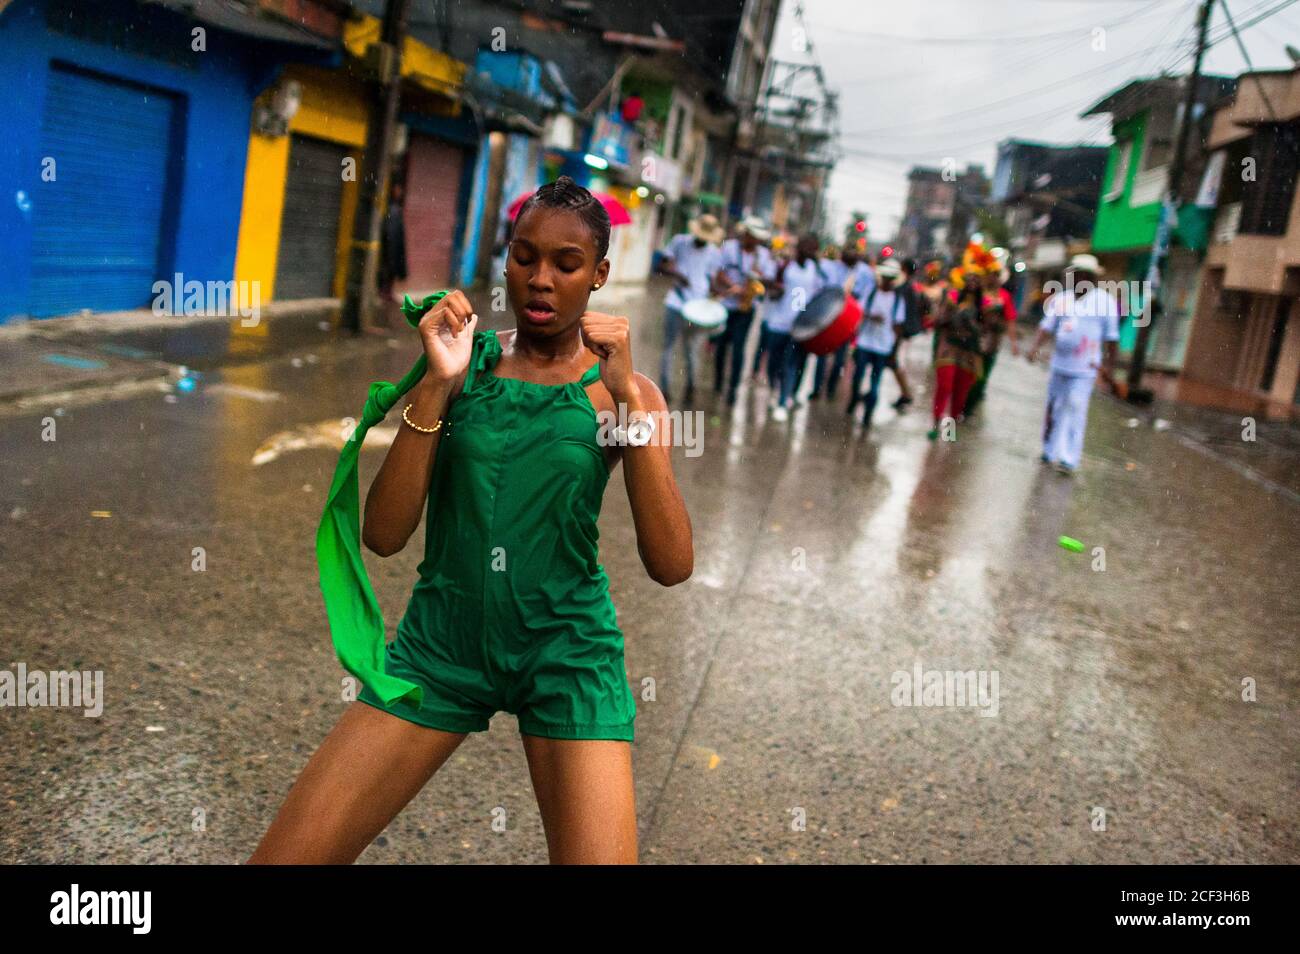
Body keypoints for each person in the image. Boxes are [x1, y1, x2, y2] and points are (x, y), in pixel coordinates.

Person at [249, 176, 693, 865]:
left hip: (566, 654)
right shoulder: (464, 364)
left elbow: (671, 564)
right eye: (524, 257)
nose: (540, 280)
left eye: (566, 265)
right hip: (441, 647)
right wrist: (435, 383)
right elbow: (385, 536)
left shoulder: (625, 393)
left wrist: (631, 399)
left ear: (599, 274)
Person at [1025, 254, 1121, 475]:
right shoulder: (1062, 299)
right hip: (1060, 366)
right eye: (1076, 274)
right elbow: (1046, 327)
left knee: (1076, 408)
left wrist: (1109, 368)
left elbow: (1112, 339)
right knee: (1054, 409)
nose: (1079, 278)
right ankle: (1049, 452)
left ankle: (1069, 459)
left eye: (1084, 275)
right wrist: (1034, 348)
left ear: (1092, 277)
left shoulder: (1104, 301)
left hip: (1085, 369)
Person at [658, 213, 725, 403]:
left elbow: (712, 280)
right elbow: (663, 266)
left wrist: (719, 293)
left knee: (692, 350)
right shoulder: (680, 242)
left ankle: (690, 387)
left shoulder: (713, 252)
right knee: (668, 347)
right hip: (675, 302)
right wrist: (679, 275)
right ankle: (664, 389)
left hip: (697, 309)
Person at [712, 216, 776, 406]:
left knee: (739, 348)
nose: (755, 241)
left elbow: (769, 279)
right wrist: (734, 287)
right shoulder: (730, 247)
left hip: (747, 309)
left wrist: (757, 279)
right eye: (753, 236)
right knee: (722, 346)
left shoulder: (763, 255)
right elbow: (719, 273)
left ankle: (733, 389)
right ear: (746, 234)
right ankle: (718, 383)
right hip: (727, 305)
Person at [764, 233, 827, 421]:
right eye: (807, 248)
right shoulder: (785, 267)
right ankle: (774, 390)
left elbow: (820, 297)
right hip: (778, 323)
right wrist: (776, 290)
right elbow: (772, 292)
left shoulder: (815, 270)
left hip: (800, 328)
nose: (810, 252)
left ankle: (784, 400)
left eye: (813, 249)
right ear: (799, 248)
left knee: (790, 364)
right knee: (773, 363)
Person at [928, 268, 990, 440]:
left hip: (969, 354)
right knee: (944, 387)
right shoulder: (952, 299)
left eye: (976, 280)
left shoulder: (985, 306)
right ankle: (935, 424)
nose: (972, 283)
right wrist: (950, 314)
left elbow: (986, 330)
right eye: (969, 279)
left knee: (960, 395)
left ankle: (949, 431)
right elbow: (938, 322)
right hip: (949, 349)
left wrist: (971, 323)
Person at [847, 257, 908, 428]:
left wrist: (893, 351)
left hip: (882, 347)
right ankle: (855, 399)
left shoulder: (897, 300)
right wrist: (869, 316)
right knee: (858, 376)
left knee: (875, 382)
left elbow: (898, 326)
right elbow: (857, 311)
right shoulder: (871, 292)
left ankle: (868, 414)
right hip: (865, 343)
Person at [810, 244, 868, 401]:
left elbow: (862, 297)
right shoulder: (830, 268)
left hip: (845, 321)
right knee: (822, 356)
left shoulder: (861, 273)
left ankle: (830, 389)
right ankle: (816, 389)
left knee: (839, 360)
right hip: (827, 318)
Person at [962, 262, 1019, 416]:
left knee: (981, 379)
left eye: (996, 275)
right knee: (967, 375)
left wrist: (1014, 343)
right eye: (990, 274)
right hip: (971, 341)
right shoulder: (976, 292)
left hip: (991, 344)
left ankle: (968, 408)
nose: (993, 278)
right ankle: (959, 404)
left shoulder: (1004, 296)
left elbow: (1010, 320)